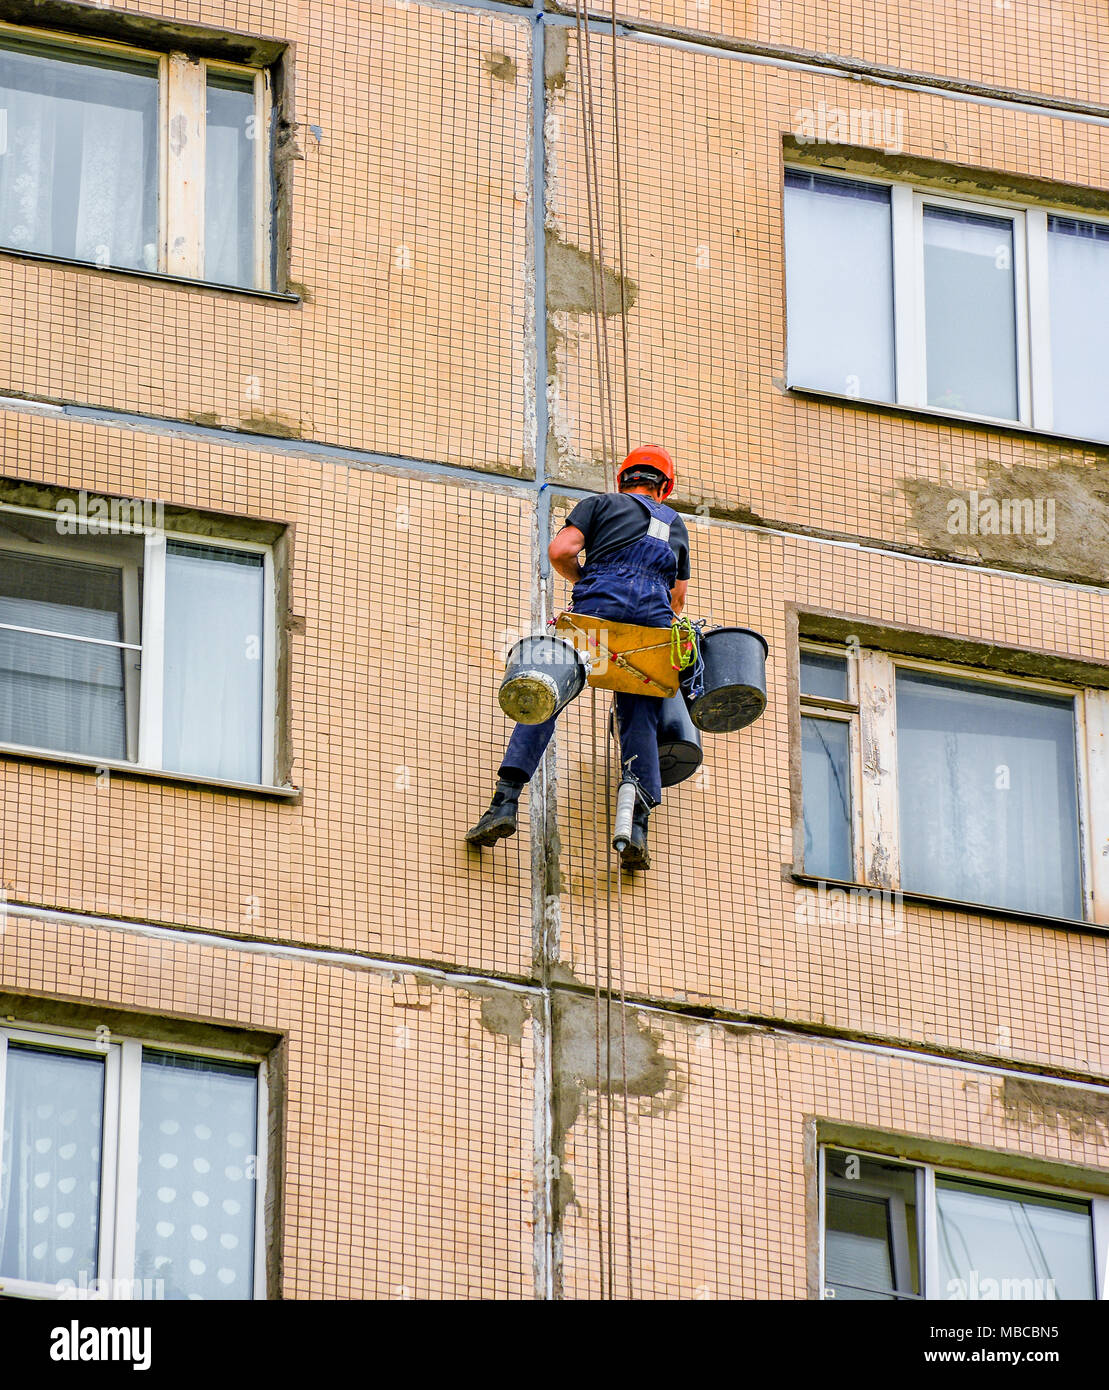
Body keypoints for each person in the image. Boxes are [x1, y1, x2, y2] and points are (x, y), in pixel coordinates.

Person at [466, 445, 690, 870]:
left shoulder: (600, 505)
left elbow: (559, 551)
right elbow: (678, 599)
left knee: (544, 690)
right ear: (664, 489)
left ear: (624, 480)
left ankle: (504, 804)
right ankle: (634, 829)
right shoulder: (676, 525)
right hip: (650, 631)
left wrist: (588, 579)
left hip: (596, 614)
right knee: (639, 717)